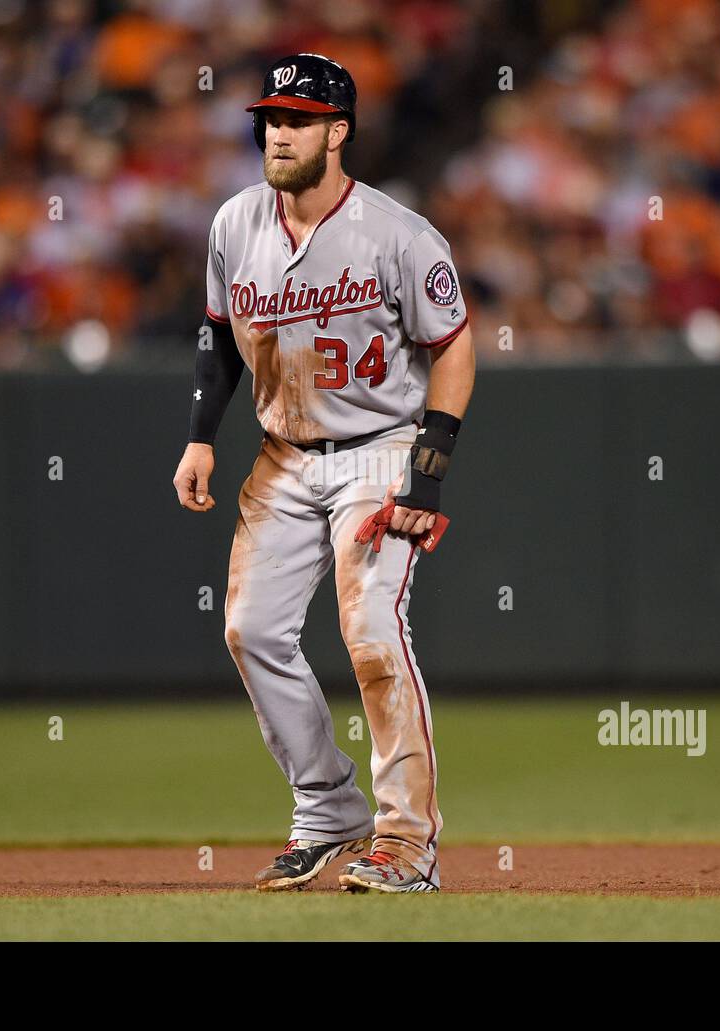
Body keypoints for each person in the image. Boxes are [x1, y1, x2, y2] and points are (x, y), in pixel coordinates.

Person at [172, 54, 475, 893]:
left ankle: (408, 840)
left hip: (379, 448)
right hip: (282, 456)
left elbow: (452, 347)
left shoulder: (399, 234)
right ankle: (327, 807)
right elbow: (216, 336)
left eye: (298, 118)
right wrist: (201, 437)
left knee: (371, 629)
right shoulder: (235, 225)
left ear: (337, 132)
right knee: (252, 630)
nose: (278, 132)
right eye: (270, 118)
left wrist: (430, 469)